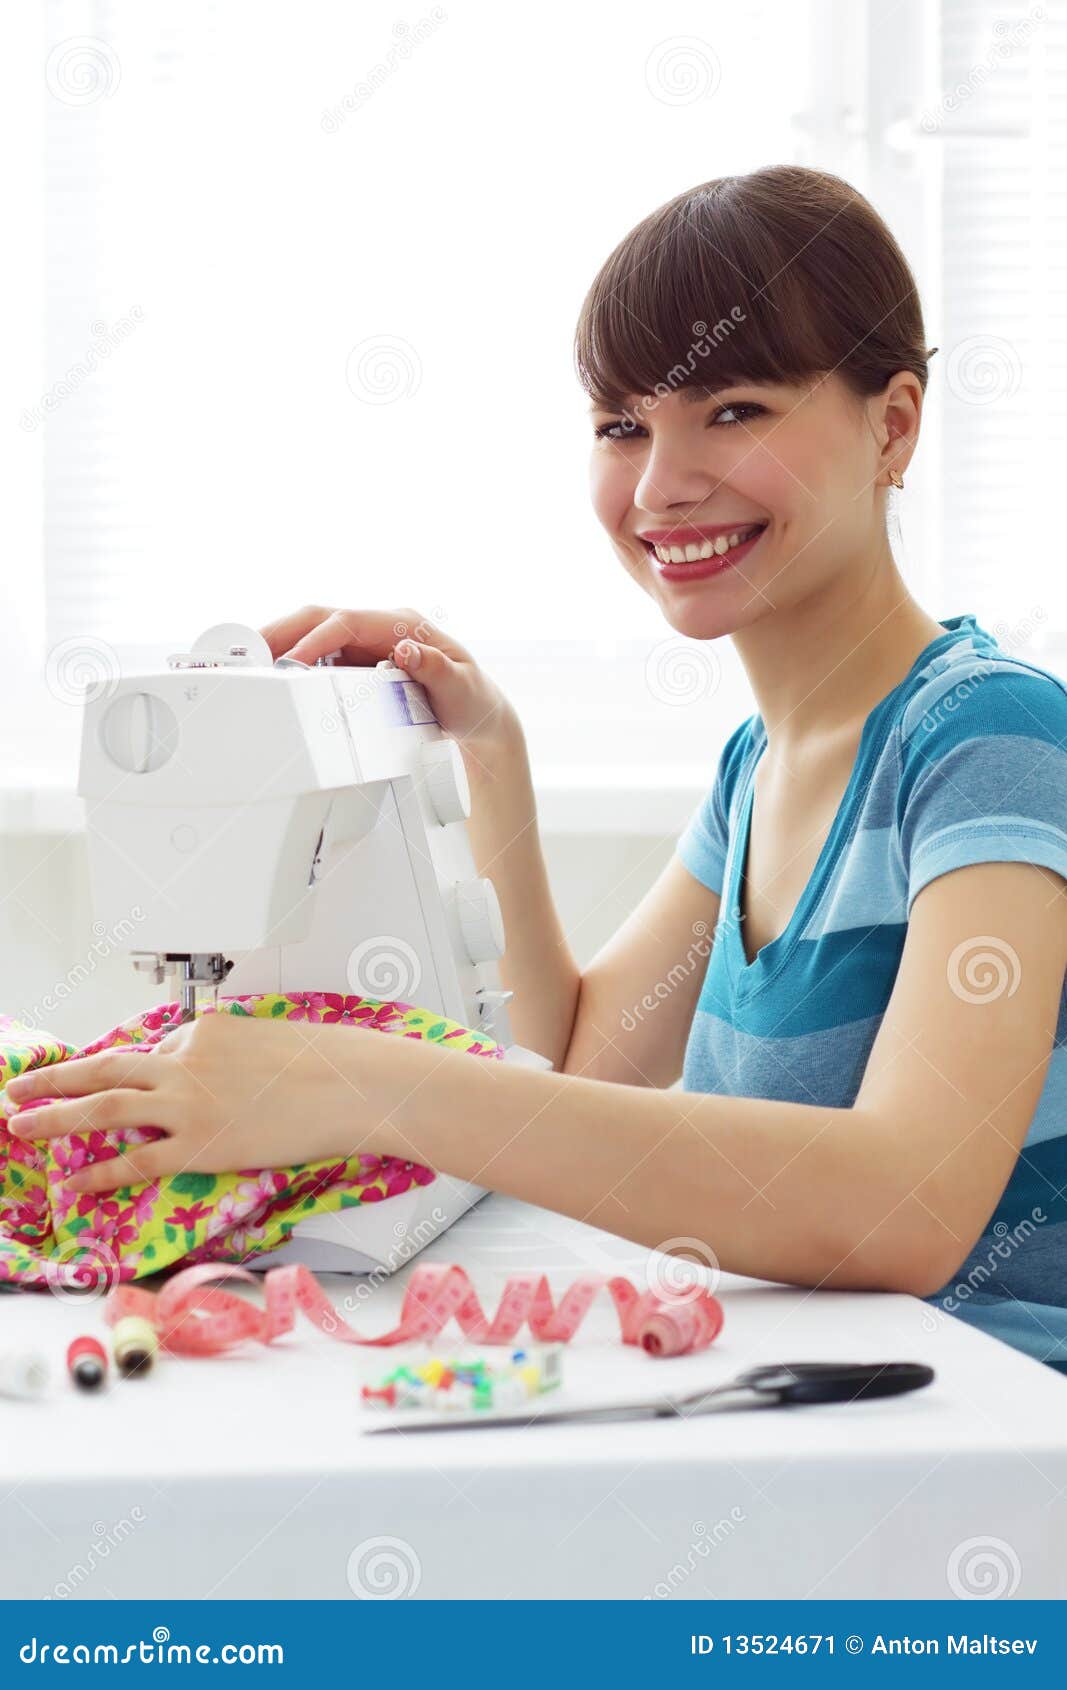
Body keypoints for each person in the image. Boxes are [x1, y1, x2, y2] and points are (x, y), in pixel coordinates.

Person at [10, 166, 1067, 1371]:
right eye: (622, 426)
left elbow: (907, 1209)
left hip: (999, 1416)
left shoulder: (988, 738)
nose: (660, 485)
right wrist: (489, 744)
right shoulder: (757, 768)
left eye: (733, 409)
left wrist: (363, 1083)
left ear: (892, 425)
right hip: (845, 1398)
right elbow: (571, 1055)